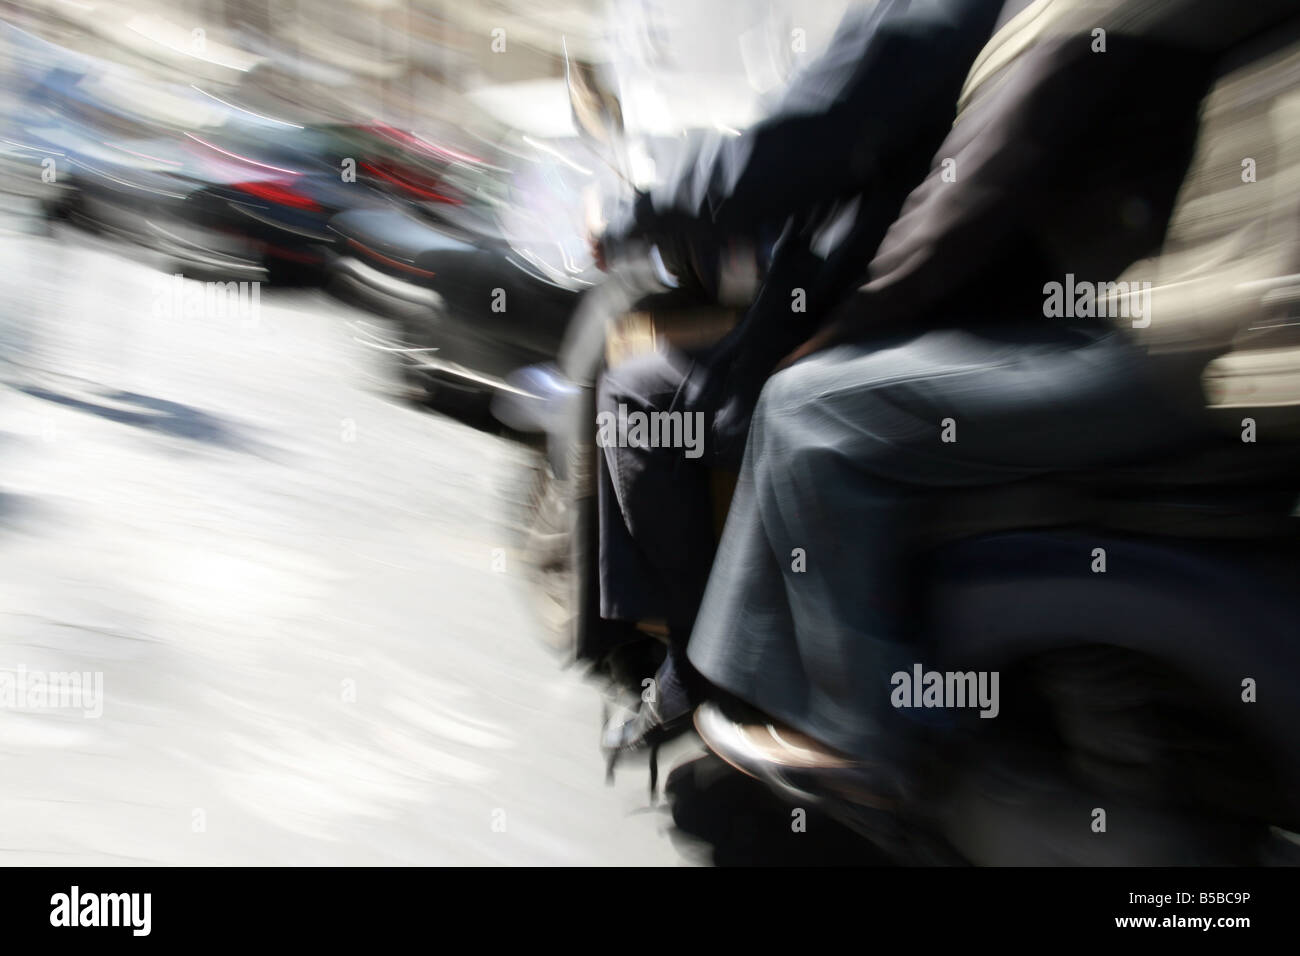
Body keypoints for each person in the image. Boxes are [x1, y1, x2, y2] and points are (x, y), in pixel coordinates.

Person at [685, 0, 1300, 794]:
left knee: (810, 405)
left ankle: (853, 730)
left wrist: (845, 329)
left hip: (1194, 353)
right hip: (1221, 352)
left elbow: (969, 192)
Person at [595, 0, 1009, 765]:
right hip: (948, 306)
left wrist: (633, 213)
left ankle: (699, 664)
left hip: (878, 314)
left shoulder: (924, 15)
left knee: (640, 393)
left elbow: (789, 147)